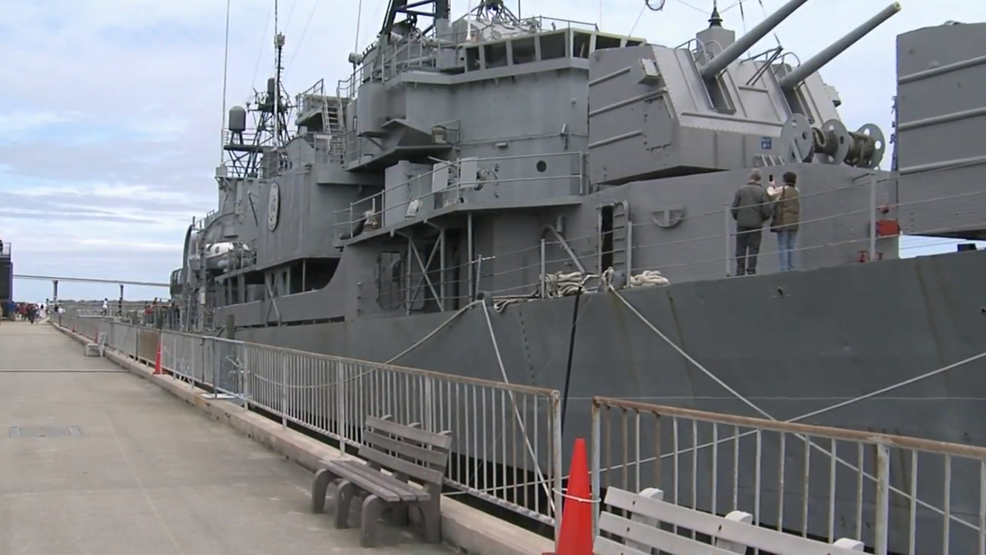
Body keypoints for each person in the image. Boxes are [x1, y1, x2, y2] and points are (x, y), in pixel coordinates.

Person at [730, 170, 773, 275]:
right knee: (753, 248)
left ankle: (740, 270)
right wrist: (763, 218)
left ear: (750, 177)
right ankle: (751, 270)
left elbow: (734, 207)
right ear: (759, 179)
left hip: (742, 223)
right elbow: (766, 209)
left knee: (741, 247)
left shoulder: (741, 190)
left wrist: (738, 217)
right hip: (756, 224)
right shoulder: (762, 191)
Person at [771, 171, 801, 272]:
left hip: (783, 222)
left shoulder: (783, 189)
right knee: (791, 246)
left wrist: (772, 186)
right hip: (794, 222)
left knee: (783, 246)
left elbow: (772, 195)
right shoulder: (797, 190)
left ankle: (784, 269)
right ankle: (792, 267)